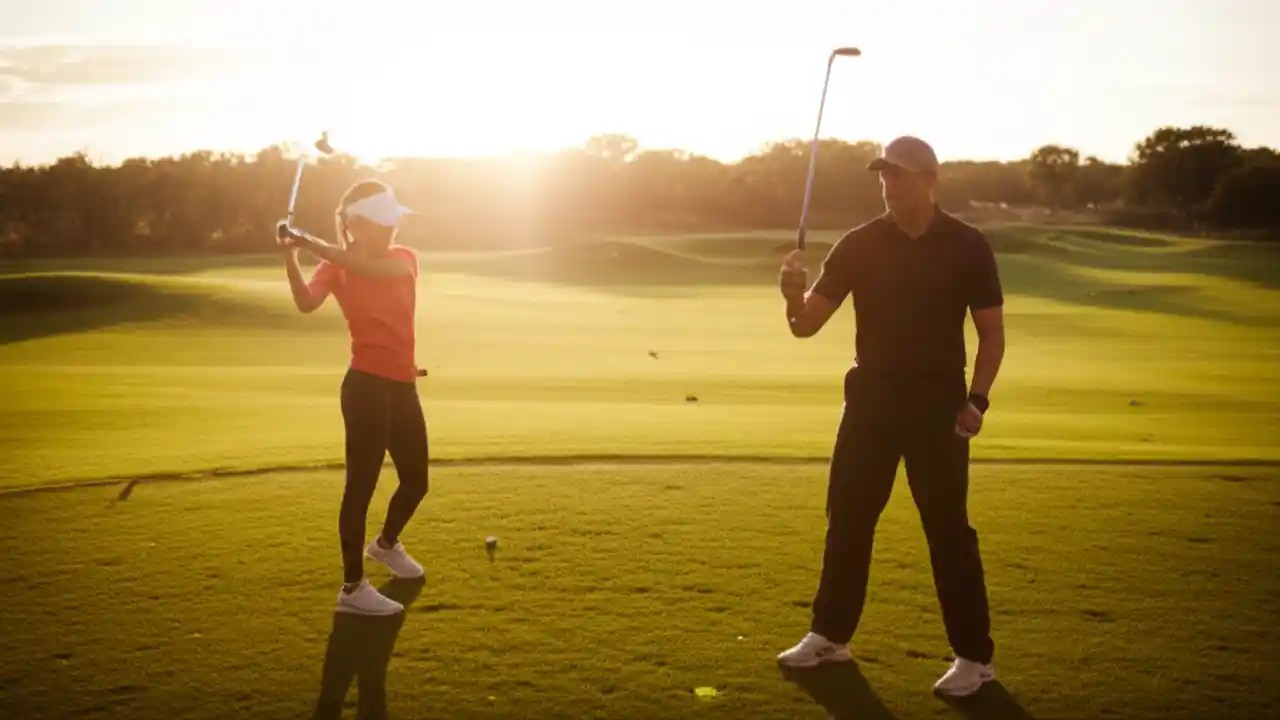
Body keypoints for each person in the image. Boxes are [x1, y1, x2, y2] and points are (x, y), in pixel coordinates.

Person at [774, 137, 1007, 698]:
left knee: (948, 530)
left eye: (900, 175)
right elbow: (806, 325)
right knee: (849, 519)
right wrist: (791, 296)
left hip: (938, 406)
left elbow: (992, 333)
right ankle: (830, 636)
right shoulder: (859, 244)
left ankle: (975, 659)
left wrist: (977, 401)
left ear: (930, 179)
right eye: (884, 175)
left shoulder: (967, 245)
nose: (890, 185)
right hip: (870, 402)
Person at [278, 179, 429, 616]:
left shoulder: (402, 259)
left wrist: (305, 240)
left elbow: (367, 269)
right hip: (364, 386)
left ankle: (384, 545)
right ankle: (352, 587)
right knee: (360, 487)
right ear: (358, 225)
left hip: (401, 384)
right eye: (384, 223)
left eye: (393, 222)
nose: (392, 230)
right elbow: (307, 302)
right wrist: (291, 258)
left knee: (416, 479)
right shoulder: (337, 265)